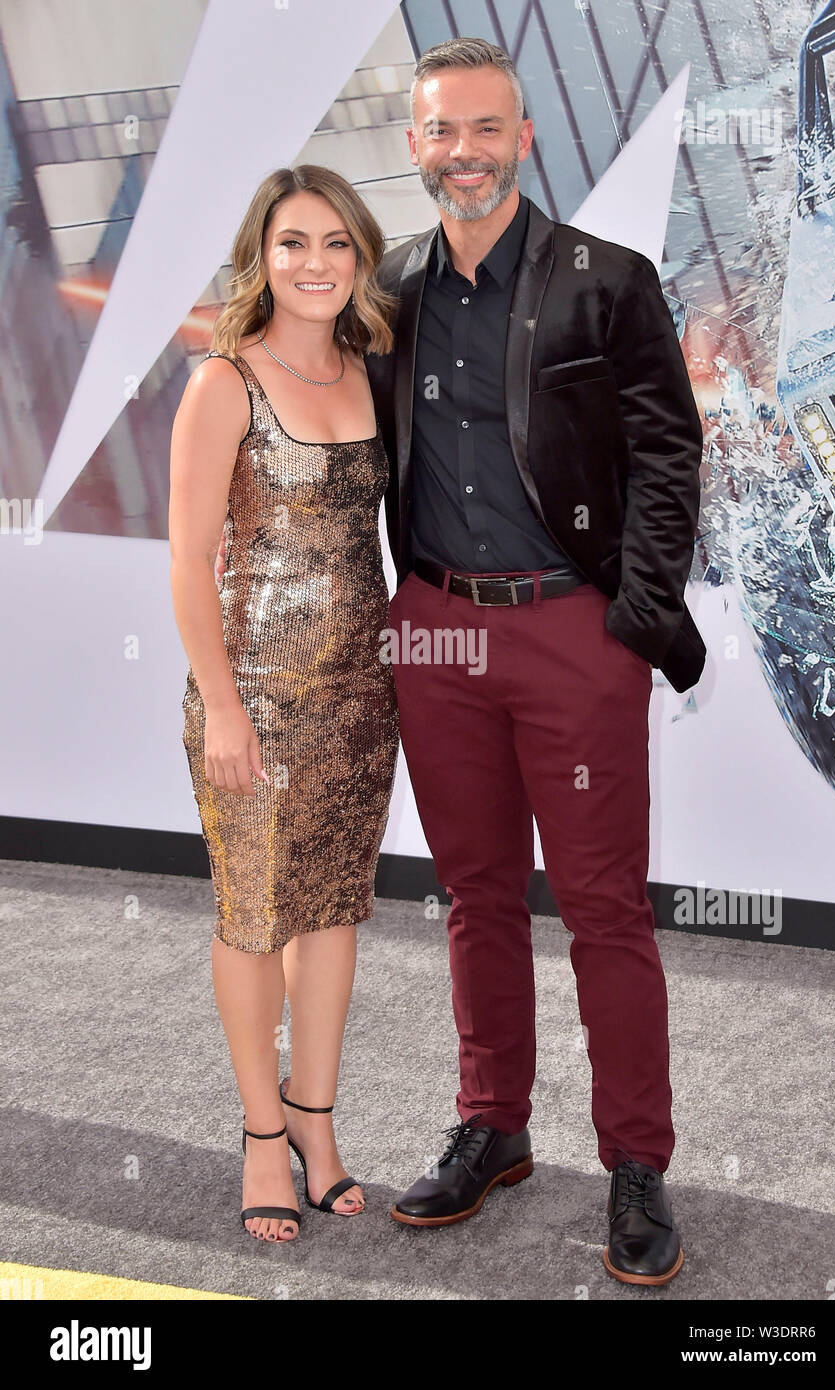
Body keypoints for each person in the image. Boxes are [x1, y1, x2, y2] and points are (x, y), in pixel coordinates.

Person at [363, 37, 706, 1286]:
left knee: (604, 909)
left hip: (571, 630)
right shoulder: (388, 289)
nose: (463, 153)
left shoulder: (603, 282)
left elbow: (669, 456)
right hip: (436, 631)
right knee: (473, 894)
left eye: (485, 130)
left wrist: (631, 620)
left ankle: (634, 1164)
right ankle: (493, 1123)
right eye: (440, 131)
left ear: (522, 141)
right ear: (414, 146)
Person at [169, 165, 399, 1243]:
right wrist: (221, 706)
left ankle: (316, 1116)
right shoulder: (225, 381)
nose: (314, 264)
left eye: (335, 245)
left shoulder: (373, 363)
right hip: (254, 697)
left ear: (360, 258)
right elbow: (182, 559)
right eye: (292, 243)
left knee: (333, 907)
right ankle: (263, 1134)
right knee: (254, 915)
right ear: (261, 256)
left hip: (360, 698)